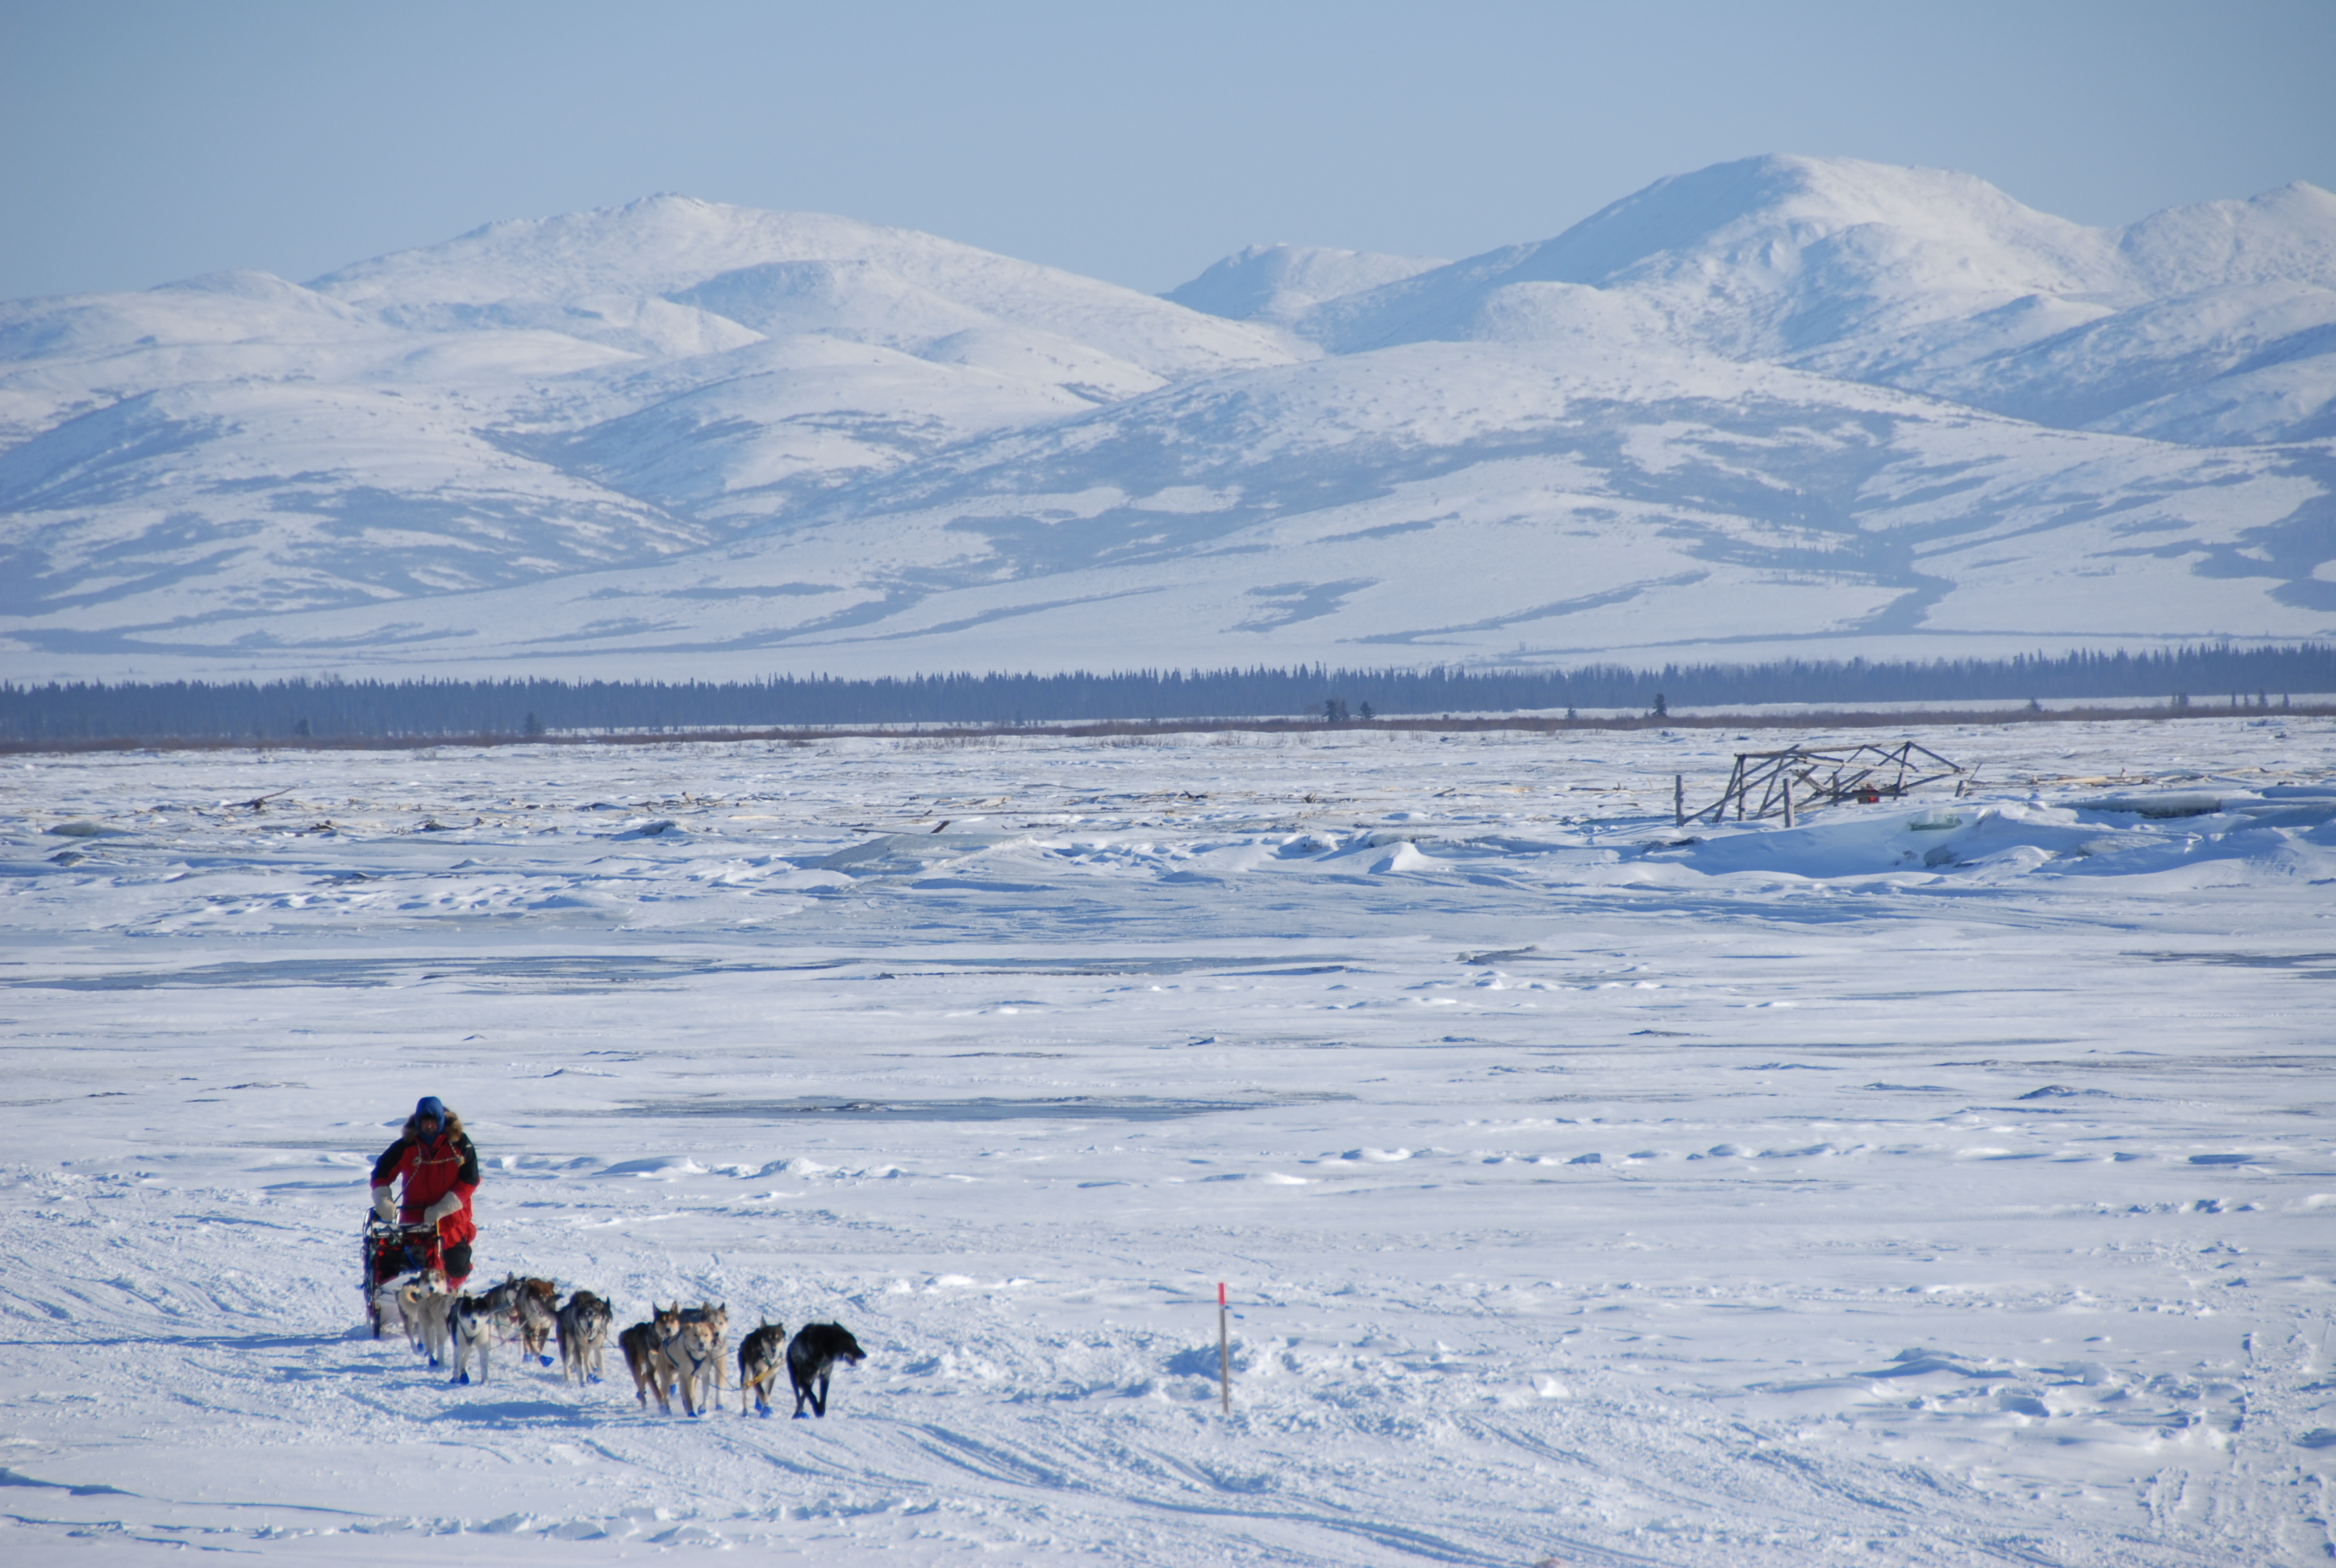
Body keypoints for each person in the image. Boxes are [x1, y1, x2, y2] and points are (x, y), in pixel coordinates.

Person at [370, 1095, 480, 1288]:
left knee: (458, 1268)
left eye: (434, 1122)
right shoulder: (406, 1146)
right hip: (416, 1223)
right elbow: (381, 1173)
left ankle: (449, 1302)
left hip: (452, 1221)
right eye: (425, 1122)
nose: (429, 1126)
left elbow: (469, 1180)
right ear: (418, 1122)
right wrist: (383, 1200)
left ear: (441, 1121)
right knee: (418, 1268)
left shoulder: (460, 1145)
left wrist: (443, 1208)